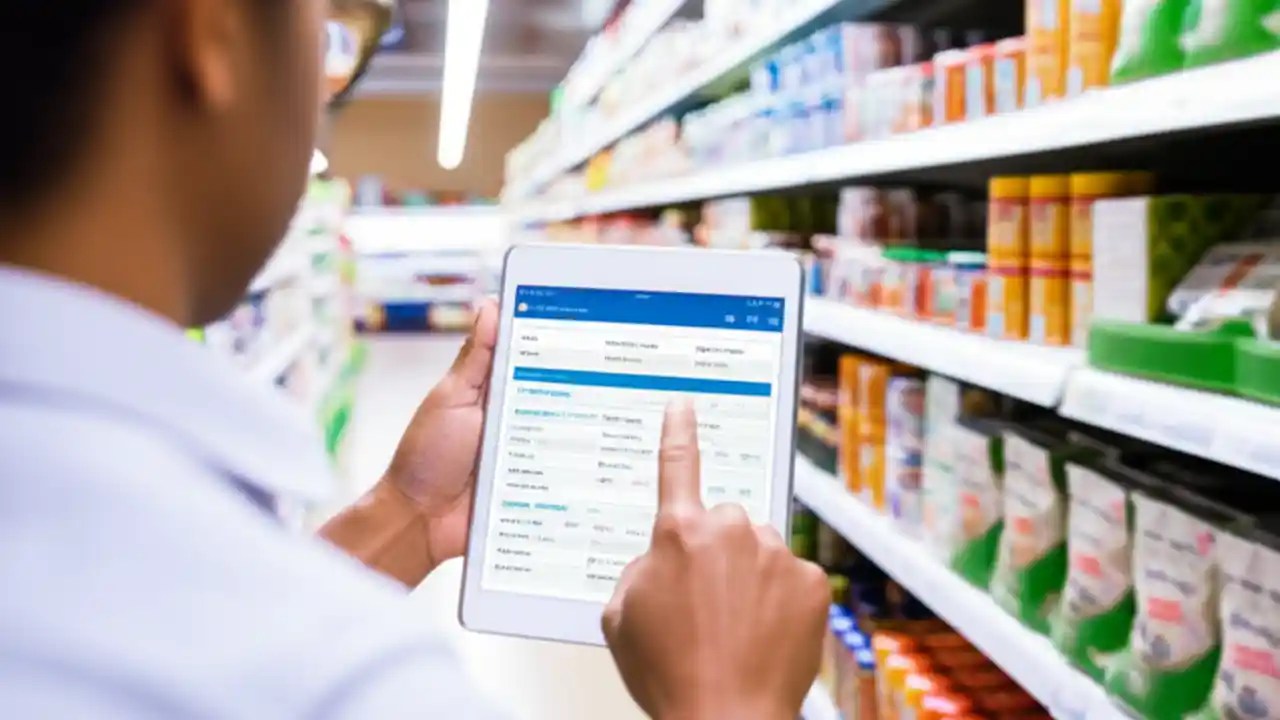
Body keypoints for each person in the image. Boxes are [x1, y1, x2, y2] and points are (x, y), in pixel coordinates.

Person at [0, 1, 830, 718]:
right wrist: (730, 701)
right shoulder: (359, 692)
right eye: (323, 32)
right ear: (207, 33)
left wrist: (405, 513)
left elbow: (176, 621)